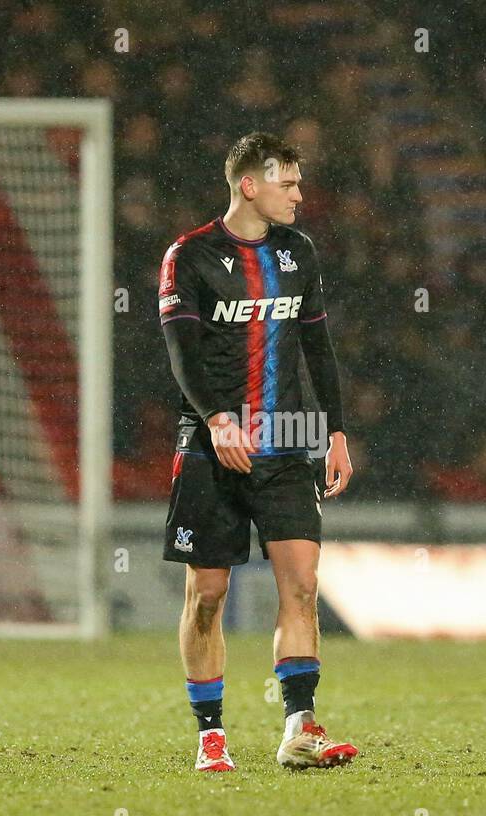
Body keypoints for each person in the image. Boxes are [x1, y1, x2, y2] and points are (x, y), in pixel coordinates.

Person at [157, 132, 357, 770]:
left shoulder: (299, 253)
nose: (299, 194)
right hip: (211, 446)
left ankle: (299, 727)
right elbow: (182, 354)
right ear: (250, 184)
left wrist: (336, 432)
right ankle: (210, 735)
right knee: (208, 595)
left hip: (286, 446)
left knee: (301, 585)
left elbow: (318, 348)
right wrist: (217, 419)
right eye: (288, 183)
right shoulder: (189, 255)